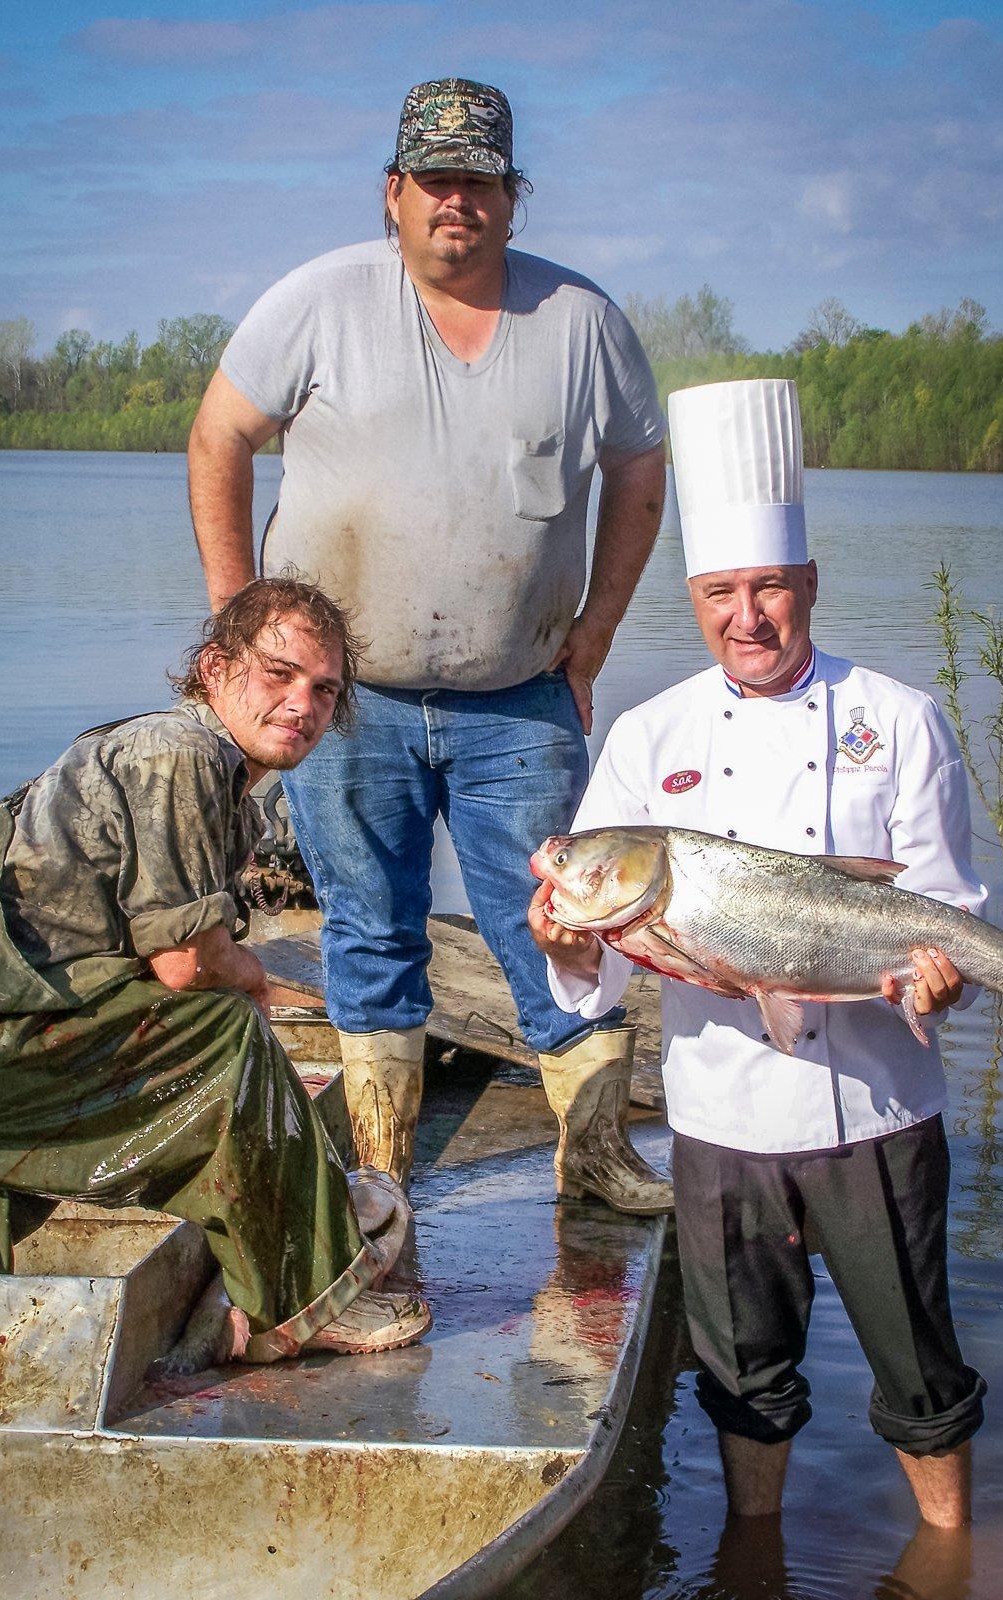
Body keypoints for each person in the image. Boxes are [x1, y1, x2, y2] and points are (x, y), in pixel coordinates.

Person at [187, 77, 673, 1213]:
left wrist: (595, 632)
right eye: (438, 180)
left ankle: (597, 1156)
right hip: (351, 700)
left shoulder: (583, 322)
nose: (461, 200)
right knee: (366, 925)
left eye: (484, 181)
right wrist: (242, 625)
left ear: (514, 197)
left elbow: (640, 472)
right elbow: (220, 435)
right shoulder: (318, 302)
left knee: (565, 921)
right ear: (393, 193)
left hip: (522, 698)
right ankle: (380, 1164)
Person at [531, 378, 987, 1526]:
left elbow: (949, 914)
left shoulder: (903, 716)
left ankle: (950, 1553)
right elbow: (604, 970)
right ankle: (754, 1558)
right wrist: (567, 938)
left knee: (923, 1375)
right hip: (723, 1121)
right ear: (693, 596)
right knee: (743, 1381)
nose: (749, 615)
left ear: (810, 585)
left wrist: (950, 970)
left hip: (879, 1109)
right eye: (724, 590)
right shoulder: (650, 736)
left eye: (771, 586)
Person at [0, 577, 429, 1367]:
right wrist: (255, 983)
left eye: (325, 690)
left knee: (208, 1021)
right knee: (227, 1034)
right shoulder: (179, 753)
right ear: (214, 666)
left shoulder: (179, 759)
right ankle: (305, 1302)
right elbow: (184, 963)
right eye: (280, 674)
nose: (303, 703)